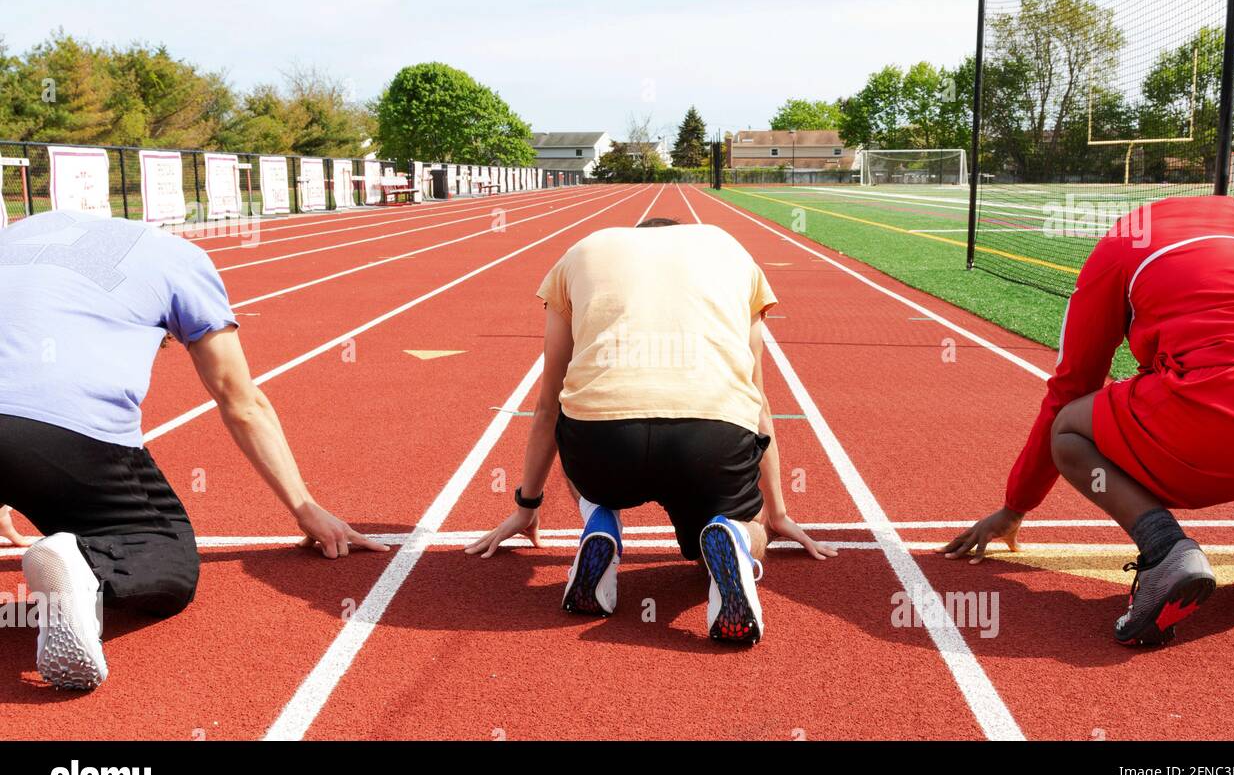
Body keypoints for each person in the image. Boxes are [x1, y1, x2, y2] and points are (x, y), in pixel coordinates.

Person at [0, 210, 385, 690]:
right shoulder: (179, 258)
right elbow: (240, 400)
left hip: (26, 430)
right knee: (167, 563)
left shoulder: (18, 234)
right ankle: (85, 567)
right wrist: (305, 507)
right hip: (70, 432)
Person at [944, 196, 1234, 645]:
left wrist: (1017, 505)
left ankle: (1164, 549)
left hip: (1210, 411)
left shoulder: (1126, 243)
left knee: (1070, 429)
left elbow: (1072, 387)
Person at [468, 218, 834, 644]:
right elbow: (759, 402)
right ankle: (736, 536)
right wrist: (776, 516)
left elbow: (548, 404)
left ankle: (599, 518)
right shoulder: (731, 251)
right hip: (711, 441)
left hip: (602, 446)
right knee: (742, 527)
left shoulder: (582, 252)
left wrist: (526, 507)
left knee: (575, 407)